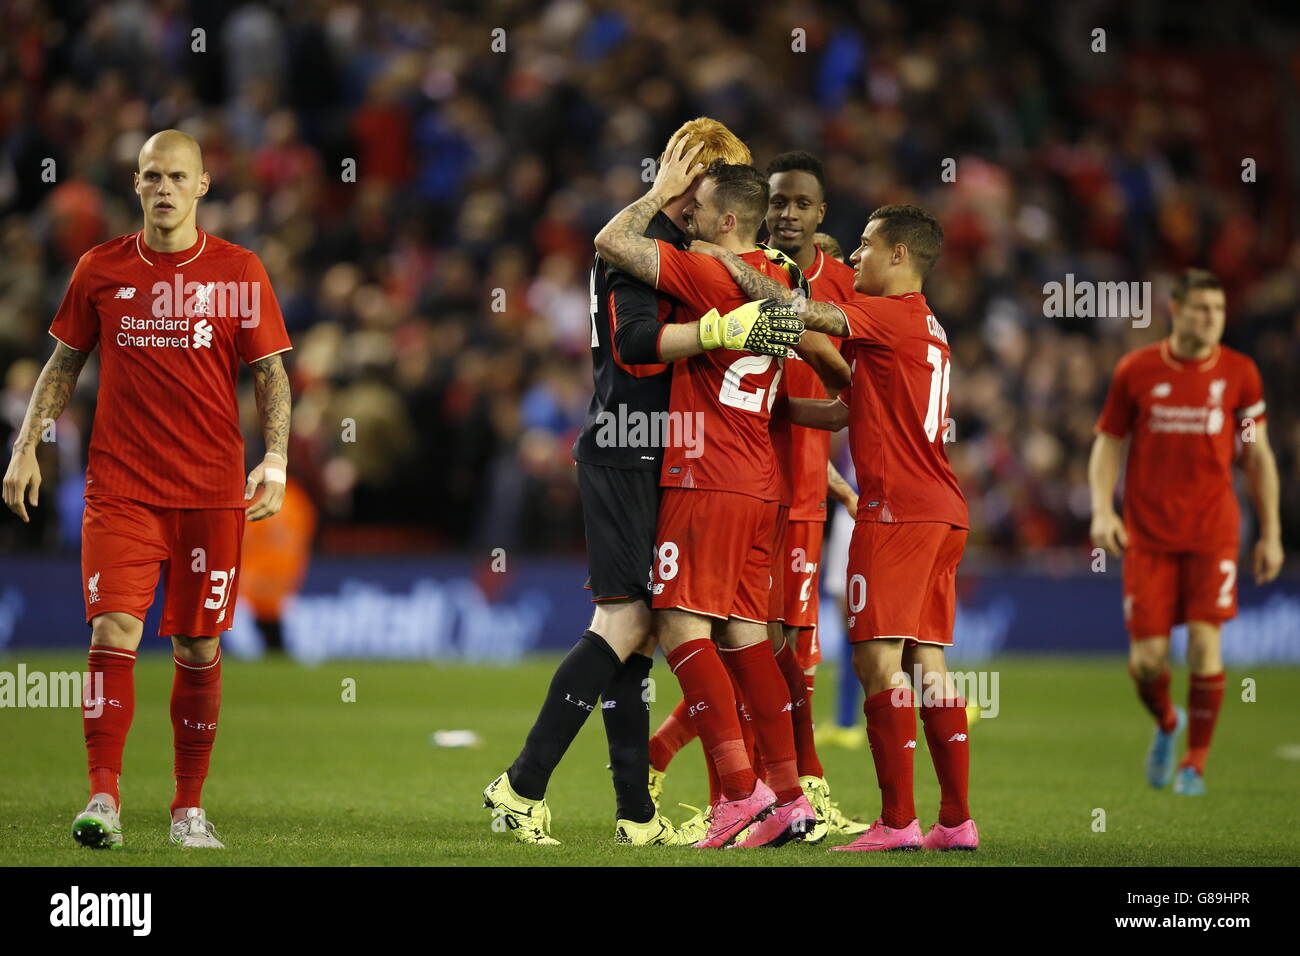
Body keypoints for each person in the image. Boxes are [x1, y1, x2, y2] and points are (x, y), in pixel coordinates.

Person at [2, 129, 293, 850]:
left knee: (197, 644)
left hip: (210, 492)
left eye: (177, 177)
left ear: (202, 186)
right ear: (136, 185)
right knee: (112, 630)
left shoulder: (239, 270)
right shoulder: (100, 268)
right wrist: (27, 445)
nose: (164, 188)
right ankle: (103, 797)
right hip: (121, 488)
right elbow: (63, 364)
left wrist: (276, 460)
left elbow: (270, 374)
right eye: (152, 176)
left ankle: (187, 809)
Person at [481, 118, 755, 846]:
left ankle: (636, 814)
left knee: (638, 642)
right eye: (712, 188)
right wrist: (721, 332)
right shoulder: (642, 244)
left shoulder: (659, 242)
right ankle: (521, 784)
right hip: (627, 446)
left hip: (648, 448)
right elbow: (635, 344)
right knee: (625, 624)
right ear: (689, 179)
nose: (716, 208)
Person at [694, 203, 978, 851]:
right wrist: (768, 411)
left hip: (896, 511)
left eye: (867, 245)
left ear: (900, 255)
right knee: (927, 662)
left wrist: (725, 262)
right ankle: (955, 821)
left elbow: (799, 313)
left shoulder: (889, 313)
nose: (854, 256)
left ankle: (898, 822)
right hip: (941, 508)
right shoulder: (926, 326)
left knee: (878, 663)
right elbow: (841, 411)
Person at [594, 132, 821, 848]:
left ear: (726, 220)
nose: (685, 217)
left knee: (679, 625)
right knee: (747, 636)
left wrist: (659, 193)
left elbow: (610, 242)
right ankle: (790, 798)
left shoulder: (704, 271)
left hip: (706, 474)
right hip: (761, 480)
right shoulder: (782, 278)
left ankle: (738, 793)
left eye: (698, 210)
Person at [1088, 268, 1283, 795]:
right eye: (1201, 309)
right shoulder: (1137, 370)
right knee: (1147, 662)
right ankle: (1168, 722)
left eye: (1218, 310)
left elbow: (1257, 456)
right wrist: (1103, 511)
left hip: (1212, 532)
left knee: (1203, 645)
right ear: (1176, 311)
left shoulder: (1240, 374)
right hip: (1148, 535)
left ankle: (1194, 763)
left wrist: (1271, 533)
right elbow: (1108, 442)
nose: (1212, 319)